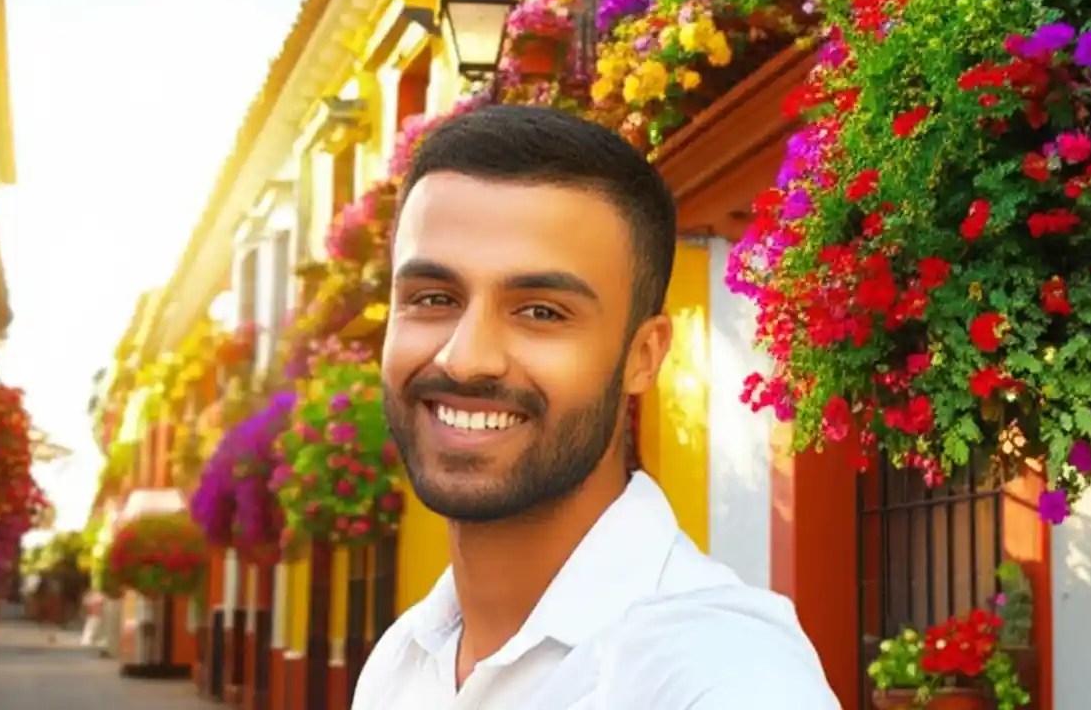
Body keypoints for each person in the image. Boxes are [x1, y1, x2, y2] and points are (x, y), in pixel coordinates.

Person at [353, 105, 840, 709]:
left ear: (643, 355)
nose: (465, 358)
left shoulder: (725, 676)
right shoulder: (402, 662)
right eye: (432, 298)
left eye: (541, 311)